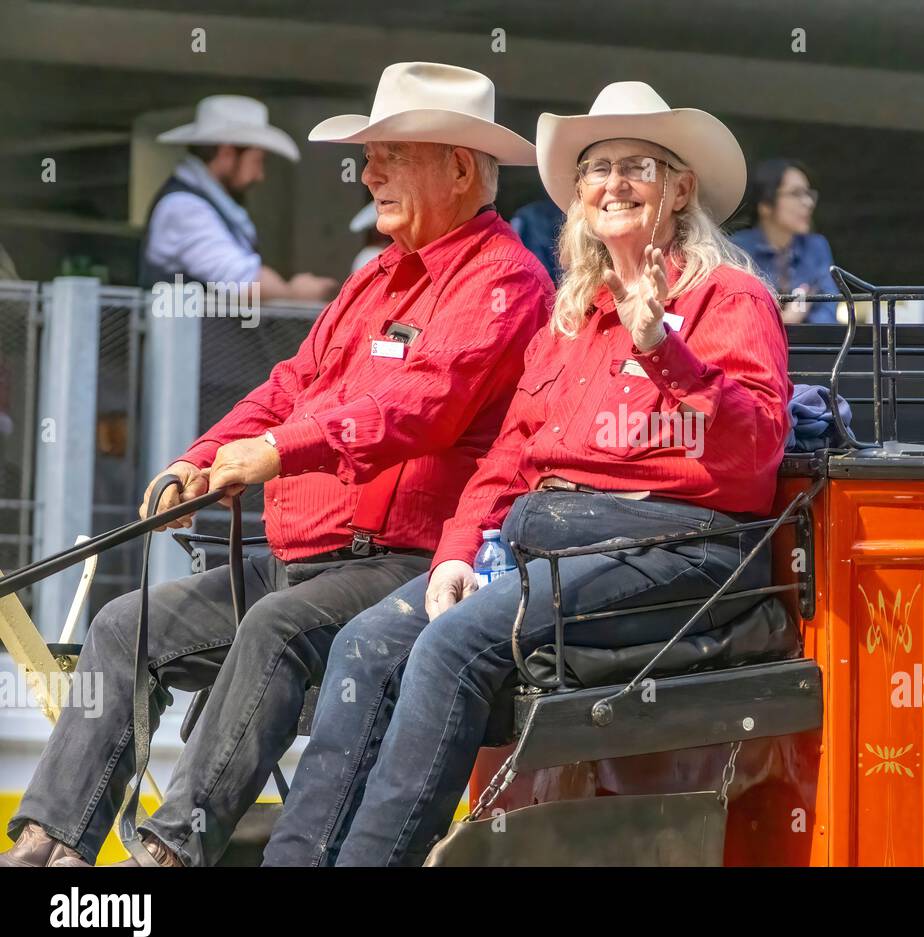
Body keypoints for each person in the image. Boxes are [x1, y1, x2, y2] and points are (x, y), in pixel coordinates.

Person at [0, 62, 550, 868]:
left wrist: (278, 450)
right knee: (124, 623)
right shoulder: (373, 281)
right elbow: (291, 382)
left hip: (404, 565)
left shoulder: (506, 281)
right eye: (371, 155)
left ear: (460, 167)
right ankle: (49, 844)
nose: (369, 172)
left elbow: (426, 402)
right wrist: (199, 457)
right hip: (305, 560)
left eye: (392, 152)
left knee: (275, 627)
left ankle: (169, 852)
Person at [263, 81, 792, 866]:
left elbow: (758, 451)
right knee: (367, 642)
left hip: (677, 544)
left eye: (635, 165)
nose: (612, 182)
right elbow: (511, 457)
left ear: (680, 188)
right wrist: (452, 553)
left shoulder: (731, 297)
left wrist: (665, 351)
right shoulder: (570, 317)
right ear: (578, 195)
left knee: (450, 649)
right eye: (595, 167)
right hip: (546, 540)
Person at [140, 94, 337, 301]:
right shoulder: (182, 208)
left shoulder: (205, 204)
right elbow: (245, 283)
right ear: (226, 154)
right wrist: (294, 292)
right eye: (257, 161)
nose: (260, 175)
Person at [731, 158, 837, 324]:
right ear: (765, 204)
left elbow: (828, 314)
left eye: (809, 194)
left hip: (809, 348)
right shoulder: (737, 250)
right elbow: (737, 319)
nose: (808, 203)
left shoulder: (816, 247)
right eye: (796, 193)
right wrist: (784, 321)